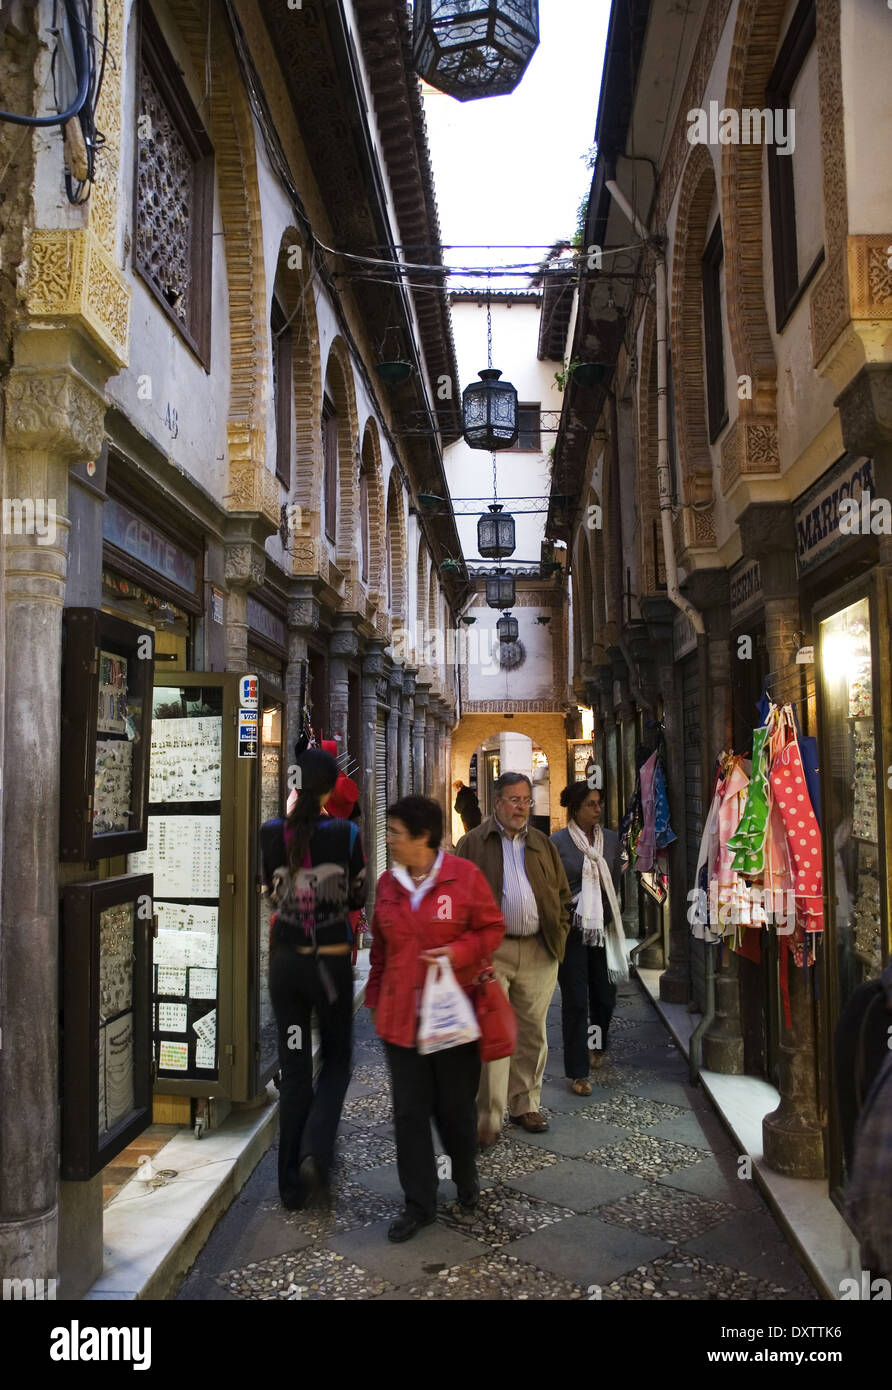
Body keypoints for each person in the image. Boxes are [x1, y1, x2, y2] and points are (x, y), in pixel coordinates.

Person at [366, 795, 504, 1242]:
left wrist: (458, 951)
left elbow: (491, 928)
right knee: (409, 1114)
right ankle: (418, 1203)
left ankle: (465, 1179)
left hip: (452, 1021)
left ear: (423, 837)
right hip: (401, 1022)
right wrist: (375, 1000)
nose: (390, 840)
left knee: (454, 1112)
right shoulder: (388, 884)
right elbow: (381, 950)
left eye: (396, 833)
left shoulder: (464, 878)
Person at [260, 748, 366, 1210]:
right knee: (339, 1058)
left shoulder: (268, 832)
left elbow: (270, 894)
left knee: (296, 1067)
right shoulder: (345, 833)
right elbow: (359, 894)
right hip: (329, 965)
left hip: (286, 967)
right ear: (328, 788)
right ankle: (317, 1150)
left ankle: (289, 1186)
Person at [455, 771, 572, 1144]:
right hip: (494, 952)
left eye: (526, 800)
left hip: (539, 949)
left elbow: (562, 894)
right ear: (497, 802)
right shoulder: (472, 843)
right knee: (495, 1032)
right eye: (514, 800)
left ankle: (526, 1104)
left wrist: (559, 934)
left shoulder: (543, 844)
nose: (522, 807)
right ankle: (488, 1116)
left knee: (533, 1032)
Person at [551, 782, 628, 1094]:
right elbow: (552, 886)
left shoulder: (610, 841)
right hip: (571, 931)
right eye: (591, 805)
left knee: (604, 996)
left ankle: (596, 1045)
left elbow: (619, 875)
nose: (598, 810)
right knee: (574, 999)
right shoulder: (557, 843)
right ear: (576, 809)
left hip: (604, 929)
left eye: (599, 803)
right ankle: (578, 1070)